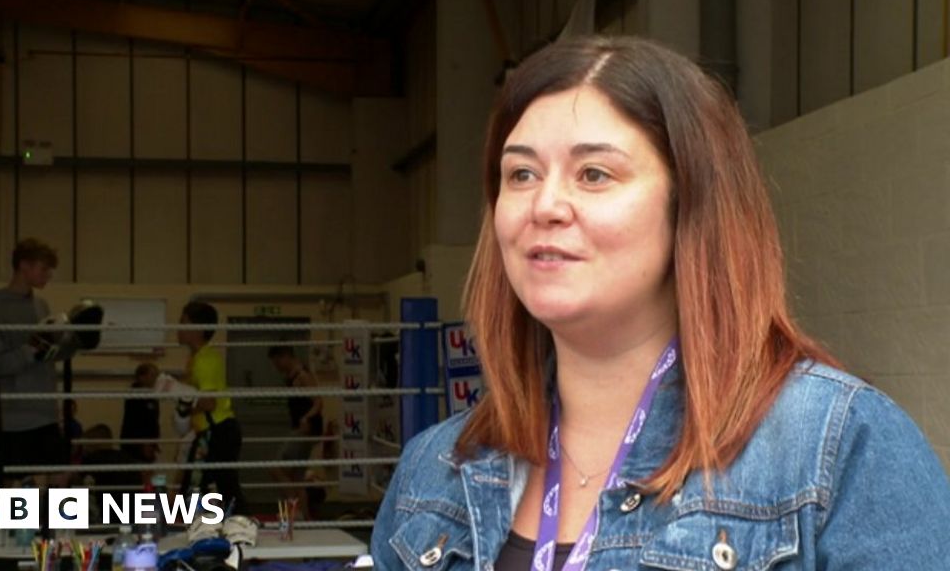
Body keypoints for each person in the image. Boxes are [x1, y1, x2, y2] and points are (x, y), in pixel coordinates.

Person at [370, 36, 950, 569]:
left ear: (691, 206)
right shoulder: (435, 471)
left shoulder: (838, 449)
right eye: (520, 174)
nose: (544, 205)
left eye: (593, 174)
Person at [0, 238, 72, 484]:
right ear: (24, 266)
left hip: (44, 411)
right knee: (12, 485)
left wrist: (77, 340)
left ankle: (67, 524)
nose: (48, 275)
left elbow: (48, 354)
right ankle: (17, 524)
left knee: (62, 477)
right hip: (10, 417)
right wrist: (33, 347)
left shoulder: (41, 305)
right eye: (43, 268)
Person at [178, 301, 247, 515]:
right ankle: (215, 526)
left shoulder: (205, 360)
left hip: (217, 430)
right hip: (210, 431)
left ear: (197, 328)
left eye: (183, 322)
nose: (178, 328)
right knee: (202, 485)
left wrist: (183, 402)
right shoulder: (197, 357)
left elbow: (209, 402)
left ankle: (240, 524)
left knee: (211, 485)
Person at [268, 345, 323, 519]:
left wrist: (306, 418)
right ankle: (306, 520)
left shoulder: (302, 375)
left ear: (285, 357)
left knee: (276, 469)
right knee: (297, 478)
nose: (276, 367)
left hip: (304, 430)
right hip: (301, 429)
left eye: (277, 362)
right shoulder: (293, 376)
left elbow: (318, 401)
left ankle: (295, 506)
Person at [121, 363, 161, 464]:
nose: (156, 379)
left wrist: (154, 442)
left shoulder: (152, 396)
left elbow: (153, 421)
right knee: (138, 473)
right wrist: (143, 444)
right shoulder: (135, 396)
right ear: (141, 377)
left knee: (149, 473)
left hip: (148, 443)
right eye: (152, 375)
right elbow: (135, 421)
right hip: (136, 445)